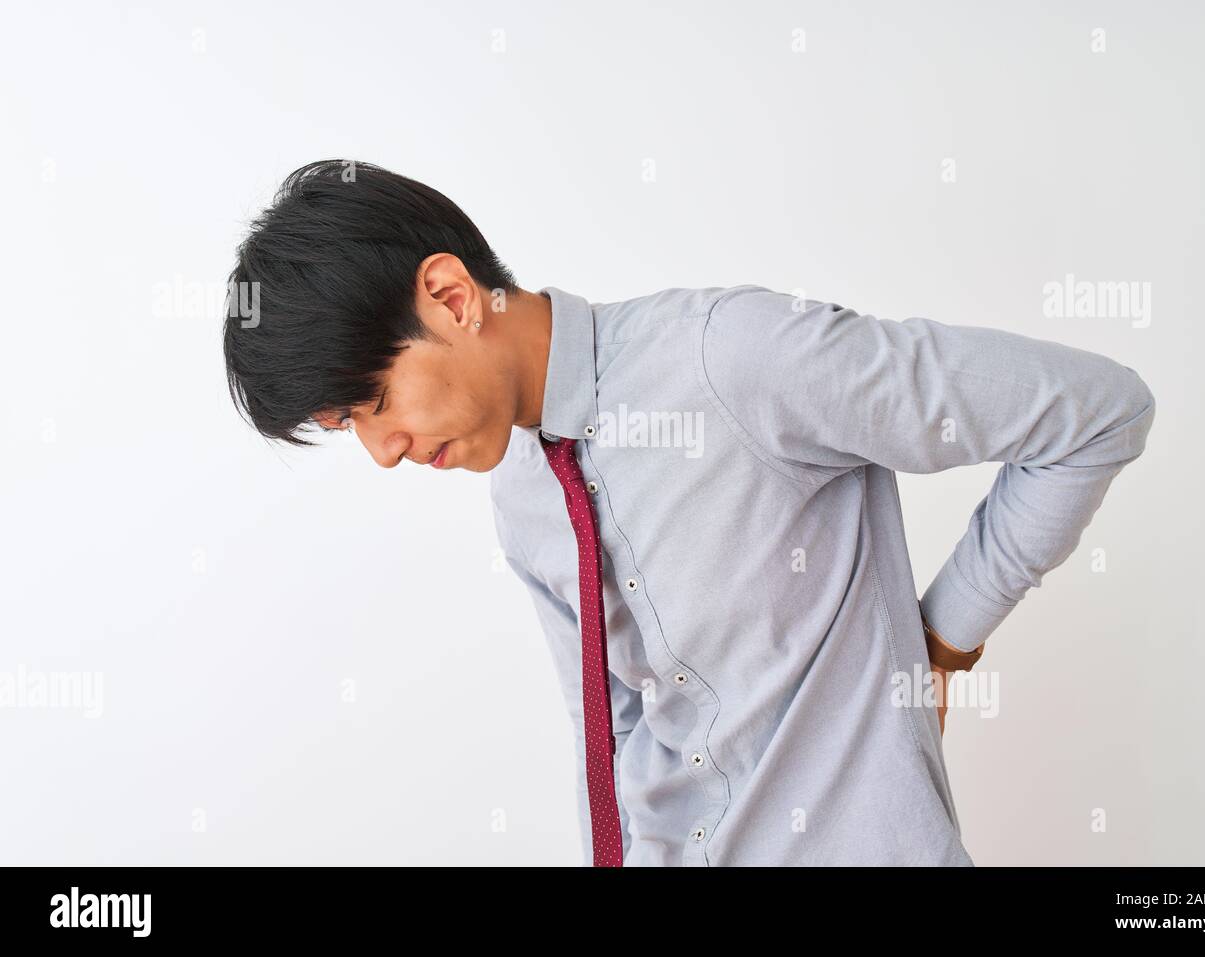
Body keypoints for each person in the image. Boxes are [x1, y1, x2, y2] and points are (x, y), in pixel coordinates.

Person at [223, 159, 1156, 866]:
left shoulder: (734, 359)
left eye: (374, 402)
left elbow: (1095, 413)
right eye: (350, 428)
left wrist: (941, 642)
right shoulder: (520, 494)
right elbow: (622, 742)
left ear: (452, 297)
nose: (383, 451)